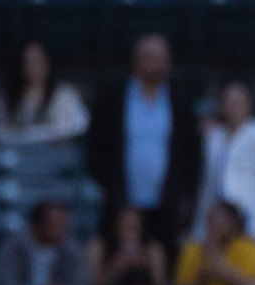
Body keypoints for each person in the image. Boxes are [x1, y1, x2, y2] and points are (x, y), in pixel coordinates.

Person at [85, 34, 200, 247]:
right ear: (135, 61)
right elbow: (95, 145)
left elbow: (191, 150)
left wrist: (184, 192)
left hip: (166, 203)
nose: (155, 65)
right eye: (149, 58)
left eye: (160, 58)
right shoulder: (113, 97)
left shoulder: (180, 98)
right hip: (121, 201)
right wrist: (107, 182)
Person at [196, 82, 255, 245]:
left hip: (249, 213)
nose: (234, 107)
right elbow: (208, 183)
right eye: (229, 102)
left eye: (238, 102)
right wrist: (199, 225)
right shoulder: (214, 137)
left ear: (249, 105)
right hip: (220, 216)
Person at [0, 40, 89, 145]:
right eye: (28, 63)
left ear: (47, 64)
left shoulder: (64, 94)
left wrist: (38, 134)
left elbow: (80, 124)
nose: (34, 68)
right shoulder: (8, 96)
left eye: (38, 61)